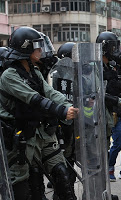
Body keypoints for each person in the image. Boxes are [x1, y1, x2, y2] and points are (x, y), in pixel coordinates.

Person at [0, 26, 78, 200]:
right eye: (37, 46)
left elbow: (51, 93)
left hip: (41, 132)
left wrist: (69, 106)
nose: (41, 50)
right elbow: (34, 99)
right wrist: (62, 111)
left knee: (62, 175)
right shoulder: (9, 76)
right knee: (25, 188)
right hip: (21, 137)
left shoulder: (34, 72)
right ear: (25, 49)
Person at [96, 31, 121, 182]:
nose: (115, 52)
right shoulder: (95, 67)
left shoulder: (110, 67)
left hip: (109, 117)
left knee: (105, 152)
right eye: (113, 48)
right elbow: (97, 93)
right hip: (97, 118)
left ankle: (104, 187)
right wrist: (120, 101)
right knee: (100, 154)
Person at [46, 42, 77, 199]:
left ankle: (68, 193)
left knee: (70, 160)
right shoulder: (55, 73)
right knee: (62, 163)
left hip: (72, 122)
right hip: (59, 124)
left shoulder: (75, 73)